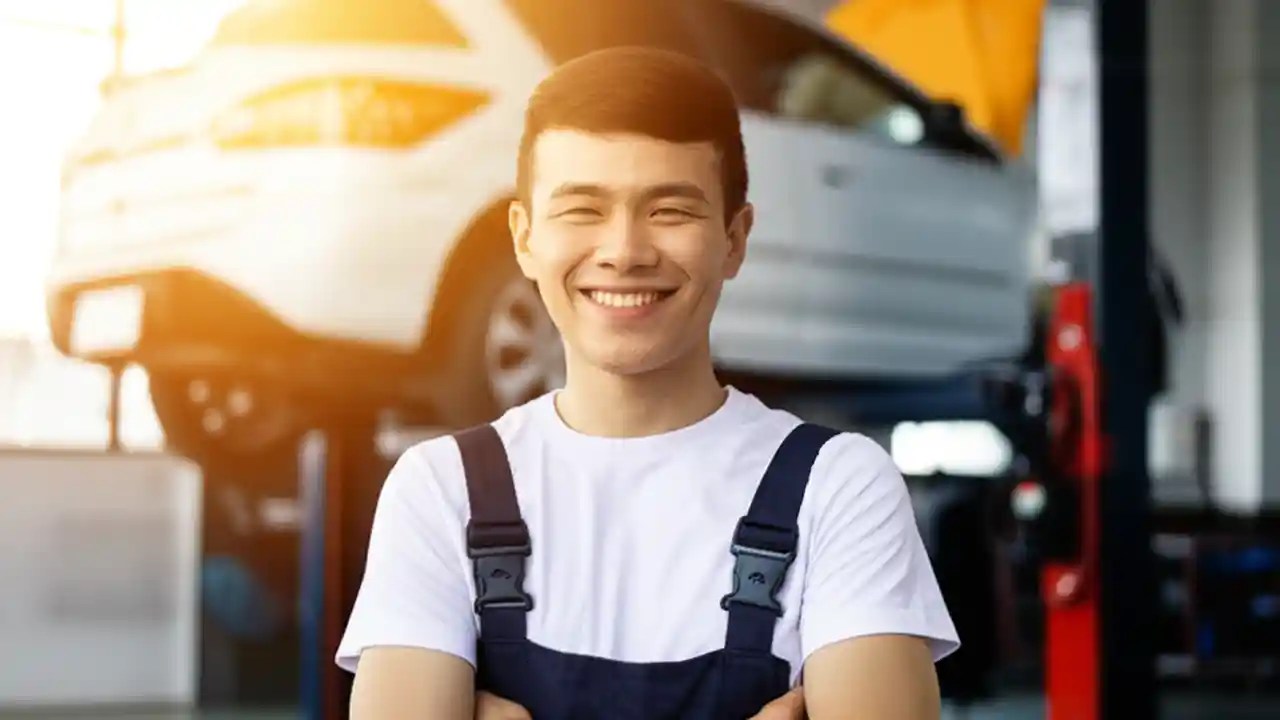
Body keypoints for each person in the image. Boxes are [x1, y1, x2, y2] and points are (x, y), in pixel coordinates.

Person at [336, 46, 959, 719]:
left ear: (735, 239)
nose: (625, 251)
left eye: (669, 210)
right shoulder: (440, 491)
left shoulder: (839, 489)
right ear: (525, 238)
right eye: (583, 210)